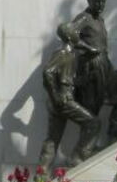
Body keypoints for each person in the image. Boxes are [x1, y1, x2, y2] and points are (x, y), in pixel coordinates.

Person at [68, 0, 117, 141]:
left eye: (103, 2)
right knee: (92, 108)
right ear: (89, 1)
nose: (100, 5)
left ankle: (114, 127)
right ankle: (86, 147)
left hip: (106, 64)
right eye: (97, 1)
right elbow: (68, 34)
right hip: (91, 65)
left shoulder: (100, 19)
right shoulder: (83, 18)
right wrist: (86, 48)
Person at [38, 23, 99, 168]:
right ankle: (78, 156)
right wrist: (56, 96)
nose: (78, 32)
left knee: (53, 139)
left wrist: (85, 80)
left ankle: (42, 175)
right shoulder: (63, 53)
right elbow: (47, 72)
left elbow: (67, 80)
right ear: (69, 36)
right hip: (64, 100)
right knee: (93, 123)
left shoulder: (71, 53)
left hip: (62, 98)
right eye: (75, 31)